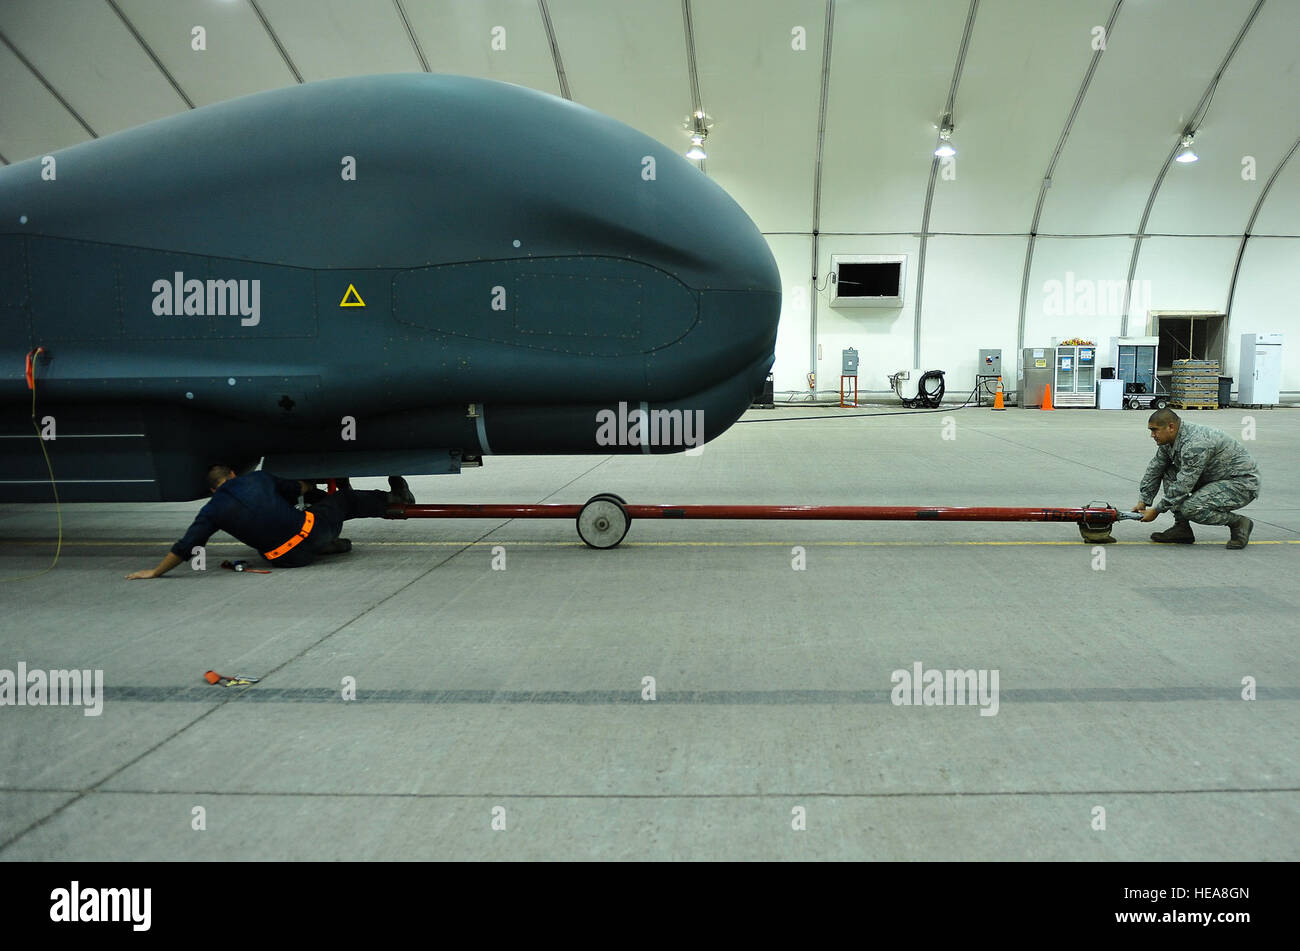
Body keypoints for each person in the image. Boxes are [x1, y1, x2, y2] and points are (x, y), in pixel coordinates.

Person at [125, 466, 416, 578]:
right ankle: (393, 498)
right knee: (343, 501)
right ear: (234, 475)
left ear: (213, 490)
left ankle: (323, 547)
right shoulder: (257, 479)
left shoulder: (211, 511)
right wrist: (312, 492)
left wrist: (155, 572)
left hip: (286, 560)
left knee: (277, 537)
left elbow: (185, 547)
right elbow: (298, 489)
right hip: (311, 530)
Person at [1132, 409, 1259, 549]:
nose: (1152, 435)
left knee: (1191, 508)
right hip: (1214, 478)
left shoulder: (1195, 444)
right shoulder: (1169, 440)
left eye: (1155, 430)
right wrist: (1143, 501)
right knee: (1169, 472)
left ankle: (1238, 523)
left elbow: (1183, 485)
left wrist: (1156, 511)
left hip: (1241, 483)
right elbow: (1156, 468)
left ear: (1171, 427)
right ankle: (1181, 528)